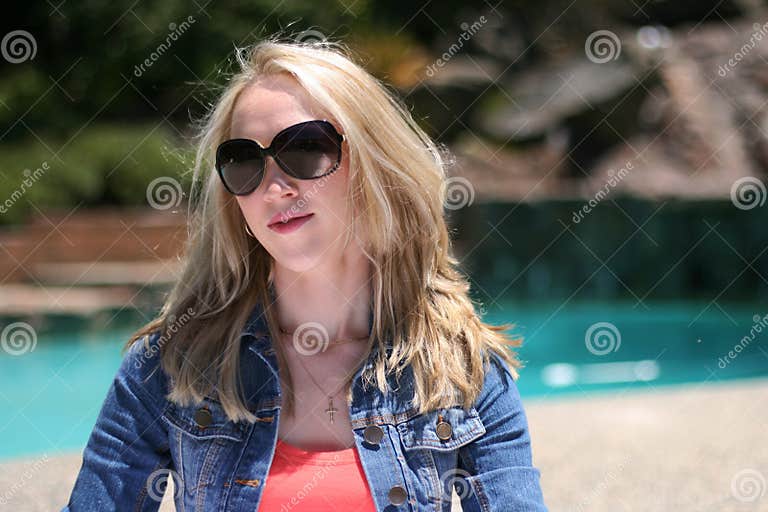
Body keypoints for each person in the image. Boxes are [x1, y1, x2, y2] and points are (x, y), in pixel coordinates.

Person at [62, 37, 548, 511]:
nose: (274, 186)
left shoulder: (462, 370)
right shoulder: (169, 366)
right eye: (244, 161)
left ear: (374, 165)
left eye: (304, 148)